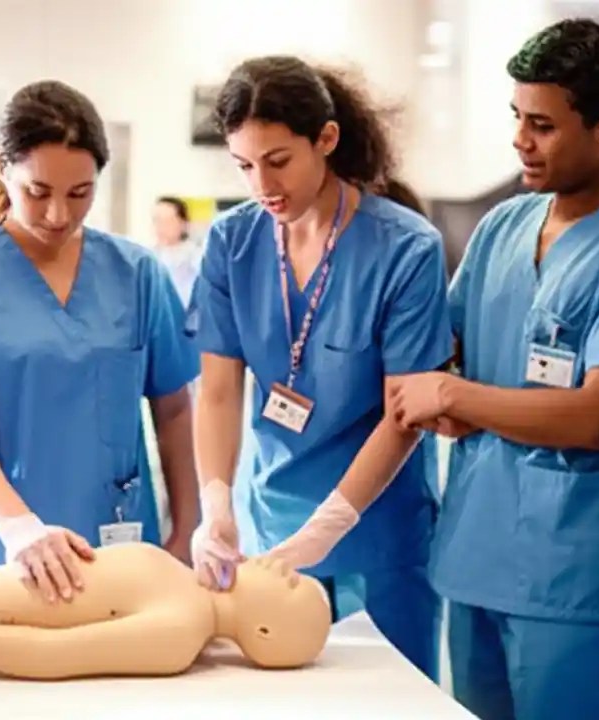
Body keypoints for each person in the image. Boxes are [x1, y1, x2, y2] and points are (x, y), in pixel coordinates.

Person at [387, 20, 599, 719]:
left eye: (542, 124)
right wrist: (446, 392)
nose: (519, 141)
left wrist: (457, 395)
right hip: (476, 558)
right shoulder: (503, 228)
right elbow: (446, 359)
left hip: (580, 581)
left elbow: (597, 417)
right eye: (516, 119)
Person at [189, 55, 452, 680]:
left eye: (278, 161)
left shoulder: (406, 249)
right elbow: (220, 392)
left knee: (390, 695)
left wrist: (329, 524)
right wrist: (215, 501)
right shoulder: (233, 242)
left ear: (326, 140)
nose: (261, 186)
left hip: (377, 532)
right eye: (244, 166)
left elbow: (404, 413)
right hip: (269, 527)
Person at [0, 80, 200, 606]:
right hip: (5, 545)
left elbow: (174, 409)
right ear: (1, 166)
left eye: (80, 194)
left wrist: (189, 525)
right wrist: (20, 528)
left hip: (122, 541)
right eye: (38, 193)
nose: (58, 215)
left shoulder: (137, 274)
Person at [0, 544, 332, 678]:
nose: (280, 567)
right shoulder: (183, 585)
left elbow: (53, 654)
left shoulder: (180, 632)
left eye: (291, 585)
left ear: (265, 632)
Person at [151, 195, 202, 309]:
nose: (161, 227)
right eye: (157, 220)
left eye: (168, 221)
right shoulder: (148, 257)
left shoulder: (197, 258)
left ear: (183, 224)